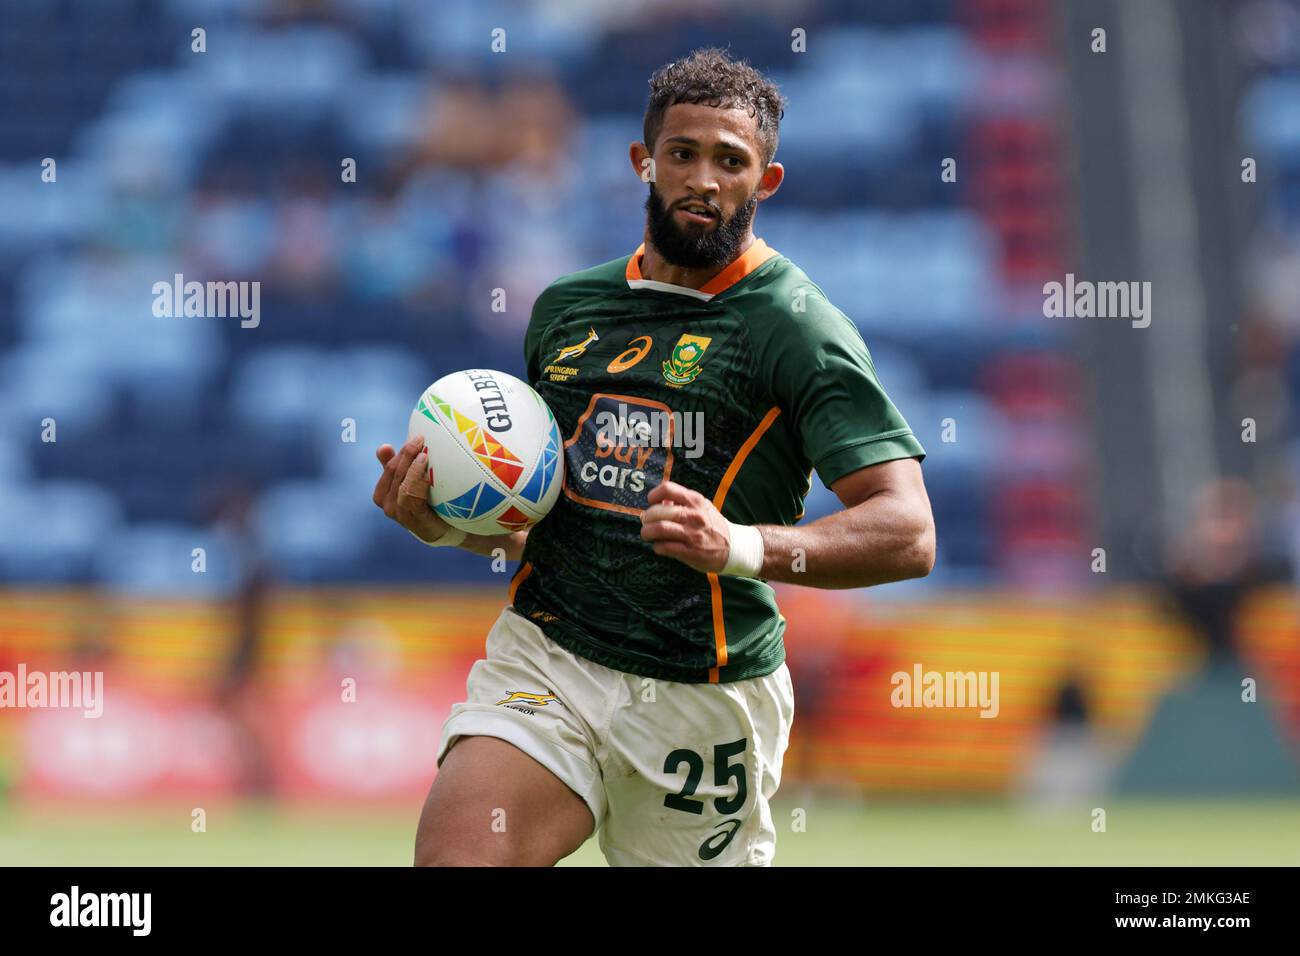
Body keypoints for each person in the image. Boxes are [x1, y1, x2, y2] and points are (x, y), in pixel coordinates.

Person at [373, 48, 935, 866]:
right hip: (552, 657)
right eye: (683, 153)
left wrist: (739, 546)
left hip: (703, 699)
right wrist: (449, 529)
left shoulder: (797, 329)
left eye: (731, 161)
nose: (704, 179)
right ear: (644, 163)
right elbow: (554, 521)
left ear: (765, 181)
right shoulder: (567, 311)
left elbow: (908, 531)